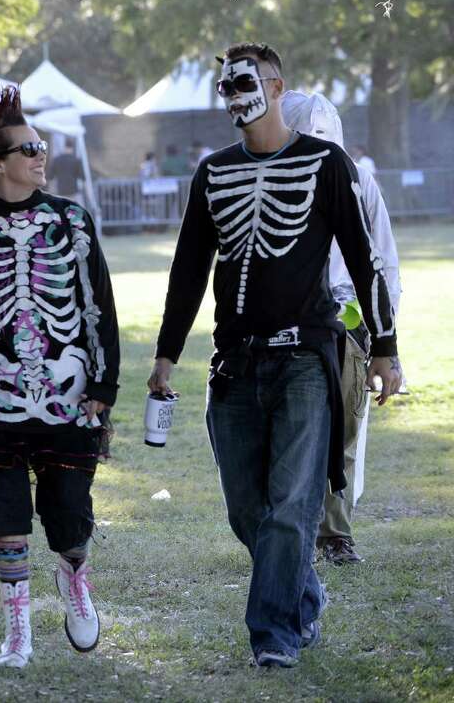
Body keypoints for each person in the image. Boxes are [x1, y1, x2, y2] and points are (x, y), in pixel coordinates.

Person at [149, 43, 403, 669]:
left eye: (248, 82)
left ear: (278, 87)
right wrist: (166, 354)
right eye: (227, 86)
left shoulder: (326, 163)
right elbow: (188, 268)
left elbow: (365, 256)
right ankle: (303, 596)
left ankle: (272, 635)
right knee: (247, 509)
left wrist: (385, 348)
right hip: (233, 361)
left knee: (293, 503)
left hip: (304, 358)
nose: (237, 95)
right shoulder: (213, 173)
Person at [0, 86, 120, 668]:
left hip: (68, 396)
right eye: (28, 149)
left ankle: (74, 580)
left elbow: (97, 309)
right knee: (5, 517)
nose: (40, 156)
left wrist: (103, 388)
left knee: (70, 516)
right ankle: (17, 628)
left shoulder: (71, 221)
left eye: (41, 147)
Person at [281, 90, 402, 565]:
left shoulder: (358, 180)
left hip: (345, 324)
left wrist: (386, 342)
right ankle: (287, 532)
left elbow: (384, 260)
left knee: (343, 431)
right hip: (285, 325)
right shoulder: (270, 177)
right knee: (288, 433)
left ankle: (334, 533)